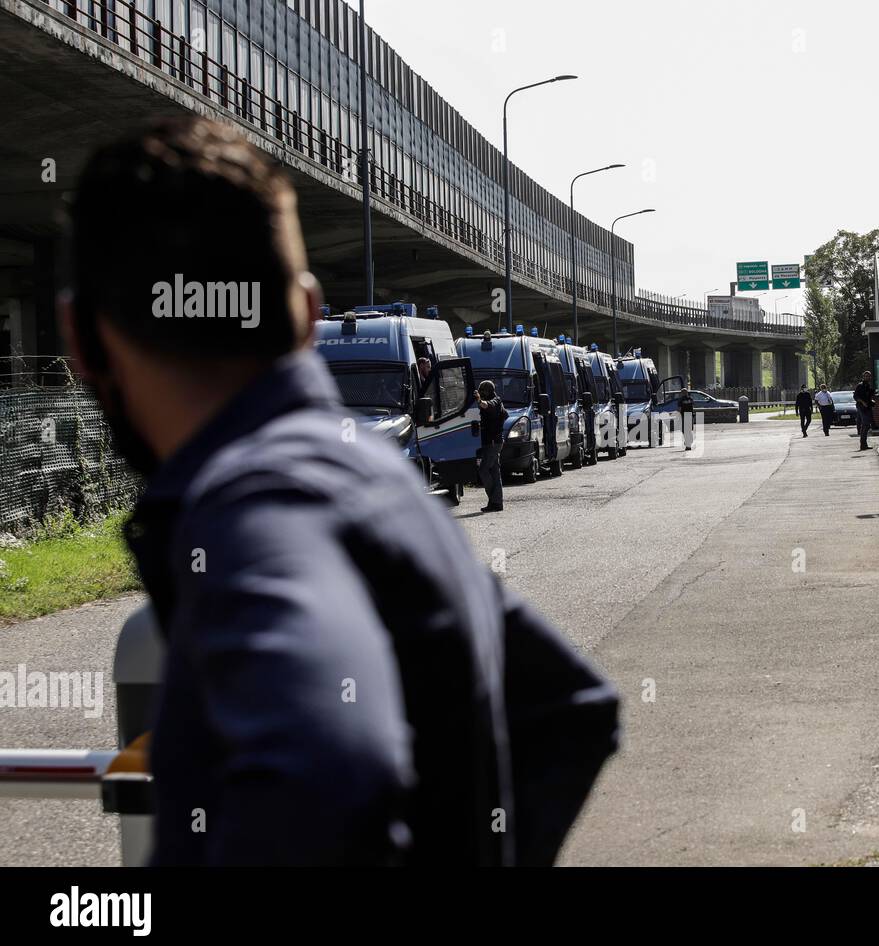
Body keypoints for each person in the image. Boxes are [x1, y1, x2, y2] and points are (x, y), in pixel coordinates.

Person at [63, 117, 618, 866]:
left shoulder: (254, 507)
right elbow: (562, 709)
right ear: (306, 310)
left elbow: (328, 770)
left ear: (79, 340)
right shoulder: (377, 475)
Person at [477, 380, 508, 511]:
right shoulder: (496, 401)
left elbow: (486, 405)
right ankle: (496, 503)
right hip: (492, 442)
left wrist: (479, 400)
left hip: (493, 442)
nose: (481, 393)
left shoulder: (495, 401)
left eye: (482, 391)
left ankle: (494, 500)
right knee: (495, 472)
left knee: (484, 470)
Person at [853, 371, 875, 451]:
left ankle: (864, 444)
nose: (867, 377)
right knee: (865, 424)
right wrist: (862, 402)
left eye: (868, 376)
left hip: (867, 407)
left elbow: (870, 397)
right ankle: (862, 444)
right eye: (866, 376)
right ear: (863, 377)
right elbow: (855, 396)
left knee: (867, 425)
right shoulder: (860, 386)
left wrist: (872, 401)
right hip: (861, 407)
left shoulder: (869, 386)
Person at [677, 386, 695, 450]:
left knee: (684, 431)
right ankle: (690, 440)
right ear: (687, 393)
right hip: (690, 416)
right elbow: (692, 407)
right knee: (689, 430)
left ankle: (688, 445)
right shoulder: (691, 399)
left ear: (682, 393)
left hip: (684, 416)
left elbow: (679, 409)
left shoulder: (680, 400)